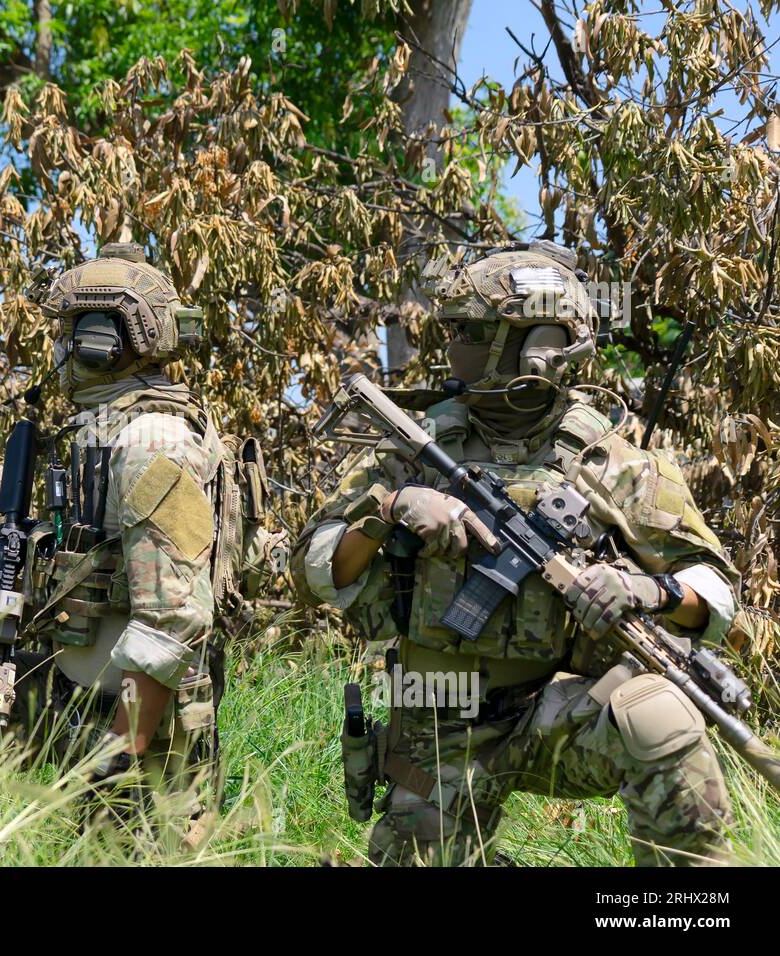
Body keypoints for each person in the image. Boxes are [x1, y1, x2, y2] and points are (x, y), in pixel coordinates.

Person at [291, 240, 740, 866]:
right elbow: (313, 568)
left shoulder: (614, 462)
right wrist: (392, 508)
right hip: (436, 716)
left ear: (534, 347)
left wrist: (650, 591)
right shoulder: (413, 448)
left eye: (471, 333)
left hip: (563, 709)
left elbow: (717, 592)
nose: (453, 350)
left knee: (661, 717)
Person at [21, 243, 225, 837]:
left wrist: (115, 756)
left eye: (67, 332)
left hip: (140, 732)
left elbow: (174, 619)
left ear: (101, 338)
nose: (58, 349)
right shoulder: (116, 427)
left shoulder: (149, 440)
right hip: (100, 703)